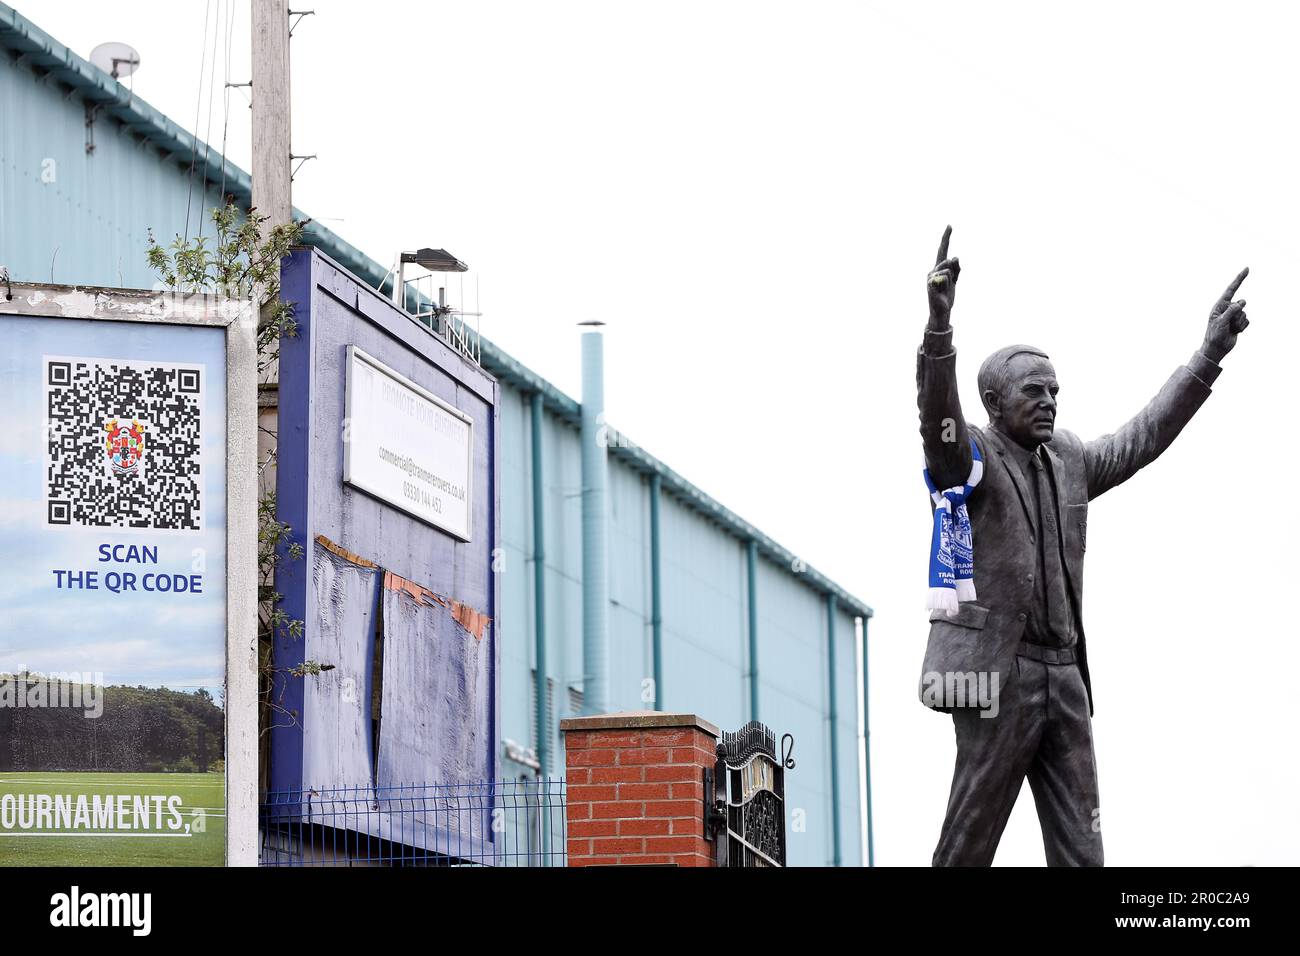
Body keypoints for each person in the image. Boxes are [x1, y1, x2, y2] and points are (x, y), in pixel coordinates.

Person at [915, 226, 1249, 866]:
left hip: (1066, 675)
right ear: (993, 401)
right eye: (1034, 391)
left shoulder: (1068, 458)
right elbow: (938, 421)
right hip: (999, 674)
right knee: (970, 838)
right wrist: (939, 329)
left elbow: (1144, 435)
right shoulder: (974, 454)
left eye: (1055, 391)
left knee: (1083, 849)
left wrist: (1207, 355)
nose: (1050, 401)